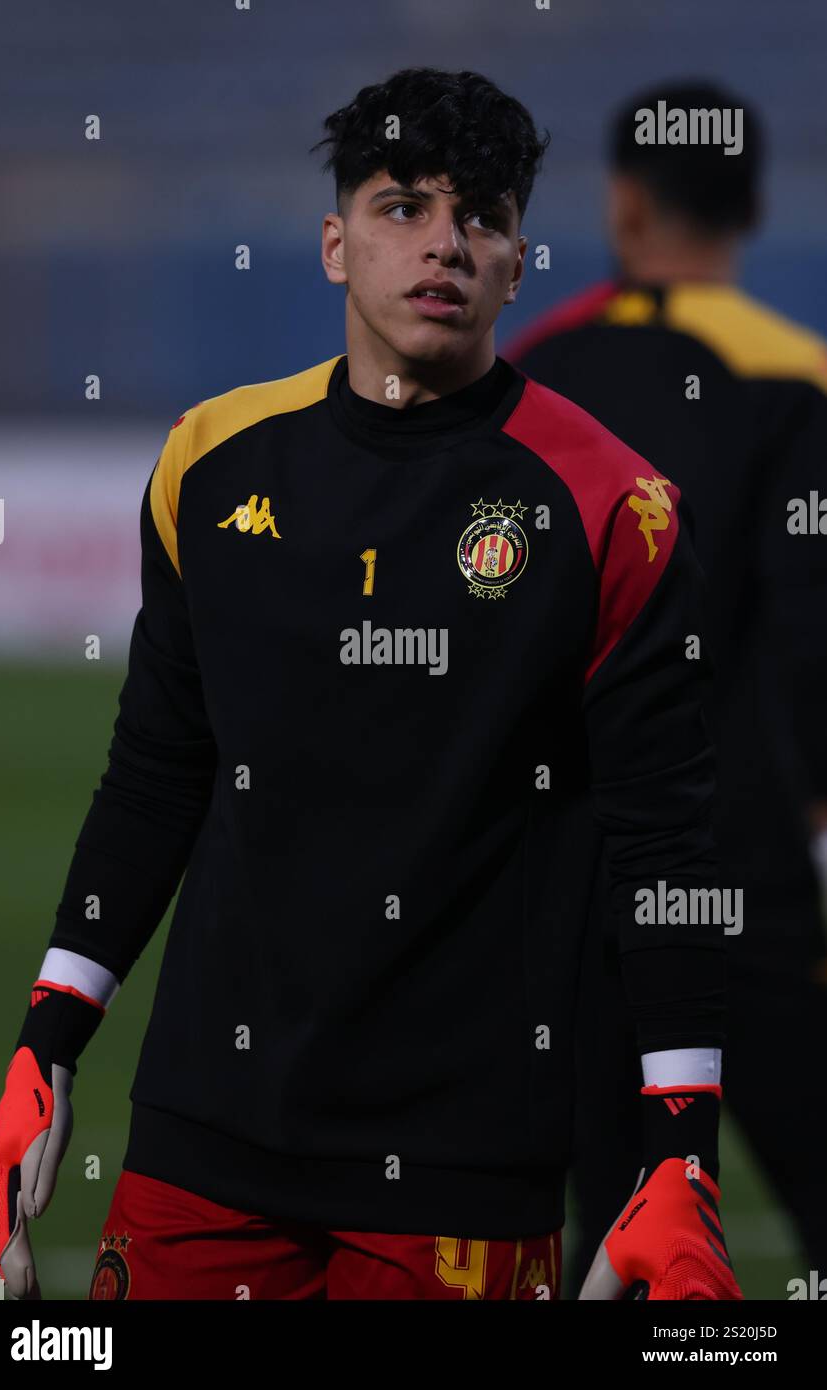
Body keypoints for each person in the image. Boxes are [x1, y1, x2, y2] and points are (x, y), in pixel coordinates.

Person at [0, 67, 741, 1302]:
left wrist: (680, 1150)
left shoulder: (614, 508)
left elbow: (667, 847)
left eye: (479, 216)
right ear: (335, 245)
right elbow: (158, 768)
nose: (443, 240)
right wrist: (47, 1035)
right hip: (202, 1139)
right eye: (402, 206)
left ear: (514, 263)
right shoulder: (208, 465)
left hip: (464, 1161)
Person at [506, 79, 827, 1294]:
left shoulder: (536, 369)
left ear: (622, 202)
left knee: (609, 1220)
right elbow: (808, 638)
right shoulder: (790, 377)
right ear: (748, 203)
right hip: (743, 865)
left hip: (576, 878)